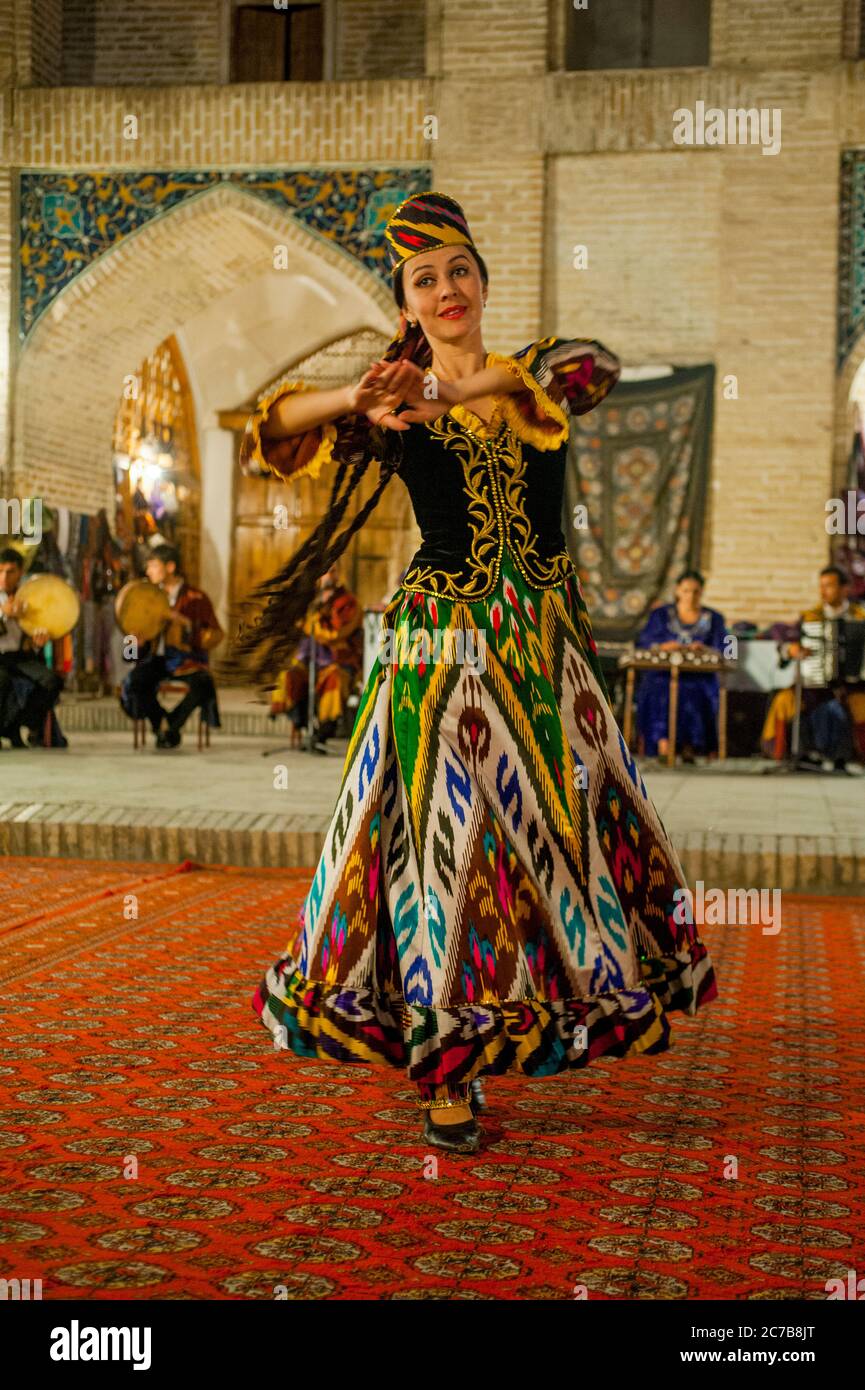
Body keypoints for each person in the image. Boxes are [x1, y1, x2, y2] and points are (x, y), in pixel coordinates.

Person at [241, 191, 718, 1154]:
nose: (447, 289)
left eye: (460, 270)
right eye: (426, 280)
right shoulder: (393, 393)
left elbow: (595, 370)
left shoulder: (532, 372)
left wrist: (460, 392)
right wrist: (359, 398)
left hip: (543, 653)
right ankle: (445, 1069)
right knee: (444, 850)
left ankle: (543, 1014)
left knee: (553, 846)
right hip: (440, 647)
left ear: (484, 283)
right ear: (405, 304)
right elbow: (275, 426)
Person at [761, 565, 865, 771]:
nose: (822, 591)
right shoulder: (810, 617)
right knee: (787, 700)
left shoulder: (860, 616)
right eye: (821, 586)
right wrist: (790, 650)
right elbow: (786, 646)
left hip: (855, 684)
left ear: (845, 589)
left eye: (829, 586)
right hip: (816, 684)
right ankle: (804, 754)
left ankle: (845, 757)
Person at [119, 543, 222, 749]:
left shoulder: (196, 599)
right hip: (156, 660)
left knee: (204, 682)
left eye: (153, 566)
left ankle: (171, 725)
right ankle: (162, 723)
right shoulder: (144, 598)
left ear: (170, 567)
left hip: (187, 660)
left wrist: (184, 623)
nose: (148, 571)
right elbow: (129, 656)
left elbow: (214, 635)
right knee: (135, 681)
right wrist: (134, 643)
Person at [635, 570, 728, 762]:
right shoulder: (660, 615)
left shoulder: (714, 618)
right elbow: (643, 642)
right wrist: (663, 646)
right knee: (661, 689)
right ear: (677, 591)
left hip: (699, 676)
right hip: (663, 673)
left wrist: (705, 649)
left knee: (694, 691)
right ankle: (663, 745)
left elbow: (729, 647)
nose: (691, 596)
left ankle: (690, 746)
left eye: (695, 591)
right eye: (686, 591)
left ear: (701, 592)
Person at [269, 561, 363, 750]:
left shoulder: (349, 603)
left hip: (339, 660)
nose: (327, 575)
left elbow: (336, 634)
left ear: (337, 574)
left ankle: (324, 731)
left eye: (331, 571)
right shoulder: (310, 602)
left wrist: (311, 622)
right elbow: (294, 626)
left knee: (334, 680)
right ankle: (304, 726)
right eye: (323, 571)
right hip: (309, 659)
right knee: (289, 676)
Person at [0, 547, 68, 748]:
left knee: (52, 681)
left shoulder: (32, 596)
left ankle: (17, 724)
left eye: (10, 571)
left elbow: (44, 626)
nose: (4, 577)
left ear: (20, 572)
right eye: (0, 571)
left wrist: (39, 642)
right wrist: (4, 614)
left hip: (22, 657)